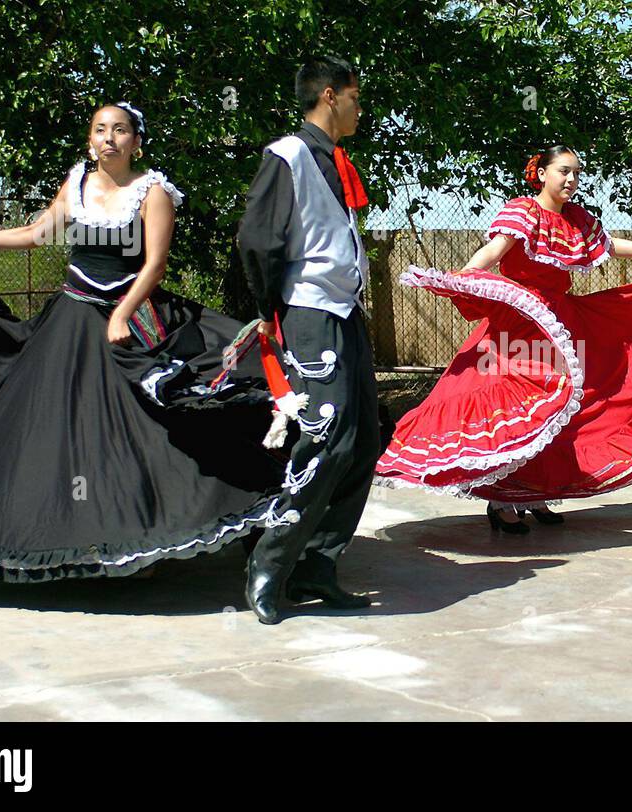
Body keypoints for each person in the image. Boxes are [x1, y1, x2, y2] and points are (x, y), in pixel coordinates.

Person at [0, 102, 282, 581]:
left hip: (130, 320)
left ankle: (158, 519)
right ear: (90, 140)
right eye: (100, 130)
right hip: (70, 320)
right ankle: (50, 533)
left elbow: (154, 265)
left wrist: (122, 312)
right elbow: (37, 233)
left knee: (149, 426)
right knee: (50, 430)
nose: (109, 138)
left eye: (120, 130)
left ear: (136, 141)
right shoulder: (76, 183)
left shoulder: (152, 192)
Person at [374, 146, 632, 533]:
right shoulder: (524, 211)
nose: (571, 180)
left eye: (576, 173)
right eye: (564, 171)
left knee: (568, 408)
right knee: (518, 410)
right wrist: (466, 274)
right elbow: (496, 249)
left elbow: (609, 246)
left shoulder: (577, 220)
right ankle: (503, 499)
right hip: (520, 323)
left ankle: (536, 493)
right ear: (542, 174)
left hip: (563, 323)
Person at [235, 55, 379, 623]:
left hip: (344, 313)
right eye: (354, 97)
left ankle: (320, 564)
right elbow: (258, 239)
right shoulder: (288, 154)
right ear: (328, 95)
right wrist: (272, 311)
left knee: (364, 437)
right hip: (307, 312)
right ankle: (271, 564)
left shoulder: (335, 160)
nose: (358, 108)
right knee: (327, 437)